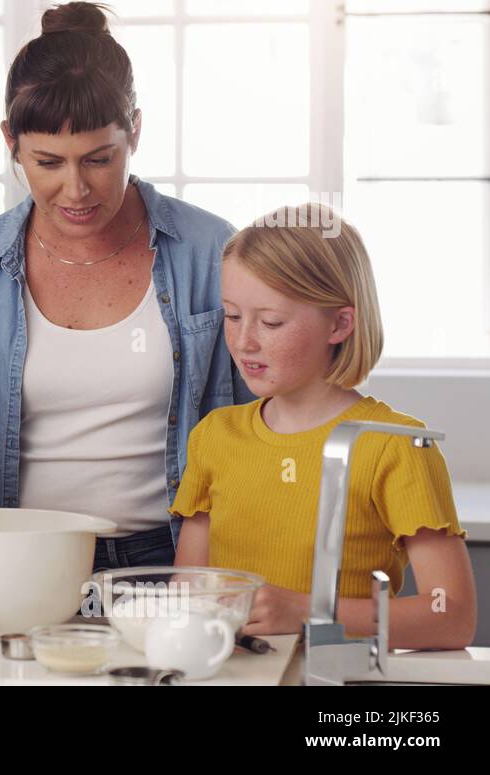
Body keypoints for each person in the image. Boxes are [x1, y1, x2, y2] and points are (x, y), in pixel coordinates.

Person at [0, 2, 255, 570]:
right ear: (11, 142)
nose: (75, 190)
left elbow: (258, 424)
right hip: (11, 557)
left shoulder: (211, 251)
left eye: (100, 159)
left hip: (172, 558)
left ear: (136, 131)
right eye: (47, 163)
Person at [171, 203, 476, 649]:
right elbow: (189, 594)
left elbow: (451, 617)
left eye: (271, 321)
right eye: (233, 316)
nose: (243, 340)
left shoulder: (395, 446)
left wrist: (311, 612)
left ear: (340, 323)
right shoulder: (215, 436)